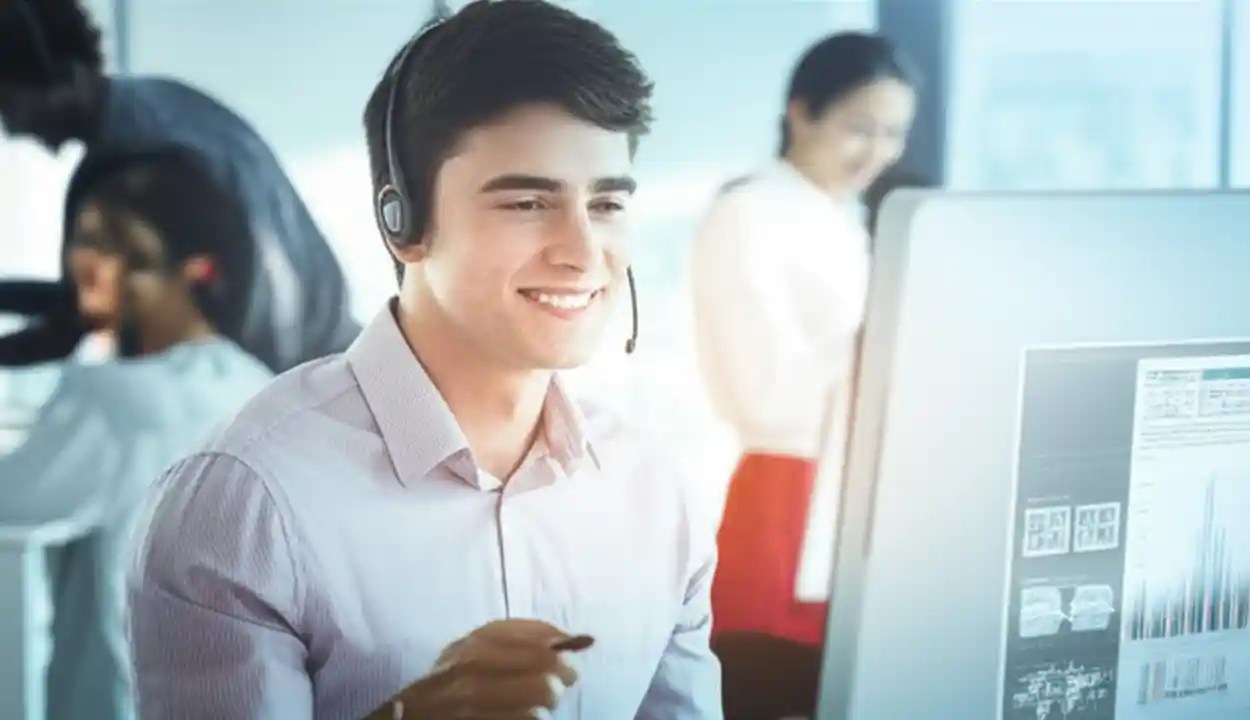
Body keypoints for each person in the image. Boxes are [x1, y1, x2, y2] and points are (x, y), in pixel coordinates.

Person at [126, 3, 721, 719]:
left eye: (606, 204)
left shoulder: (653, 494)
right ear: (401, 222)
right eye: (529, 202)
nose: (584, 254)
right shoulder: (246, 504)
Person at [690, 32, 917, 718]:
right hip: (784, 497)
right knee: (768, 690)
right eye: (858, 127)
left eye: (893, 133)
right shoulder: (748, 211)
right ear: (801, 112)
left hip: (851, 499)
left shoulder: (843, 219)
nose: (875, 152)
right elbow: (759, 392)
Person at [0, 152, 273, 720]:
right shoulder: (260, 388)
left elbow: (12, 500)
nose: (87, 264)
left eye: (119, 248)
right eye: (86, 240)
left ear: (194, 269)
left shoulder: (117, 402)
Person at [0, 0, 359, 373]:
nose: (11, 127)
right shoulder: (164, 110)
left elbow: (74, 319)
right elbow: (83, 306)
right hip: (319, 349)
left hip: (291, 366)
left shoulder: (136, 165)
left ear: (65, 72)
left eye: (10, 103)